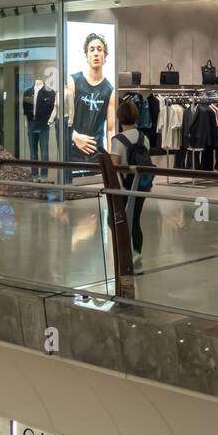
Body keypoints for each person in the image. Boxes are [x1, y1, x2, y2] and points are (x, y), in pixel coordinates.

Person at [112, 100, 154, 269]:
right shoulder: (144, 138)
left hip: (124, 189)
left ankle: (129, 258)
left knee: (115, 221)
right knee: (135, 221)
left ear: (119, 118)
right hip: (142, 186)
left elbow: (113, 167)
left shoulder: (118, 140)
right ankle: (136, 256)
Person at [65, 33, 116, 163]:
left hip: (97, 155)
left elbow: (110, 130)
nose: (95, 53)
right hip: (73, 152)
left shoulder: (110, 90)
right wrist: (74, 136)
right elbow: (62, 118)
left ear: (105, 56)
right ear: (87, 56)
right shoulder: (73, 82)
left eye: (99, 49)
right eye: (91, 49)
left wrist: (111, 161)